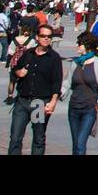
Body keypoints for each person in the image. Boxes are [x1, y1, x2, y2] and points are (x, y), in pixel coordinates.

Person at [8, 24, 63, 155]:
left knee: (38, 137)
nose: (46, 39)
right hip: (22, 101)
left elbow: (57, 82)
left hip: (39, 103)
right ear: (37, 37)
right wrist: (18, 72)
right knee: (15, 137)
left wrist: (53, 101)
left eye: (49, 37)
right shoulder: (28, 53)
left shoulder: (54, 58)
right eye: (43, 36)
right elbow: (16, 71)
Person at [63, 30, 98, 155]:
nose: (76, 46)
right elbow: (66, 83)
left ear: (86, 46)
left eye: (79, 44)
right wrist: (54, 97)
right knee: (76, 146)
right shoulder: (75, 64)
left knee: (80, 145)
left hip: (89, 110)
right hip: (73, 109)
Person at [6, 26, 37, 104]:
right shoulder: (31, 41)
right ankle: (20, 95)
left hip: (15, 62)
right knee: (24, 80)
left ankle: (10, 96)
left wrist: (7, 64)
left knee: (12, 81)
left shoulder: (15, 40)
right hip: (25, 62)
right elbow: (33, 52)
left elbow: (10, 52)